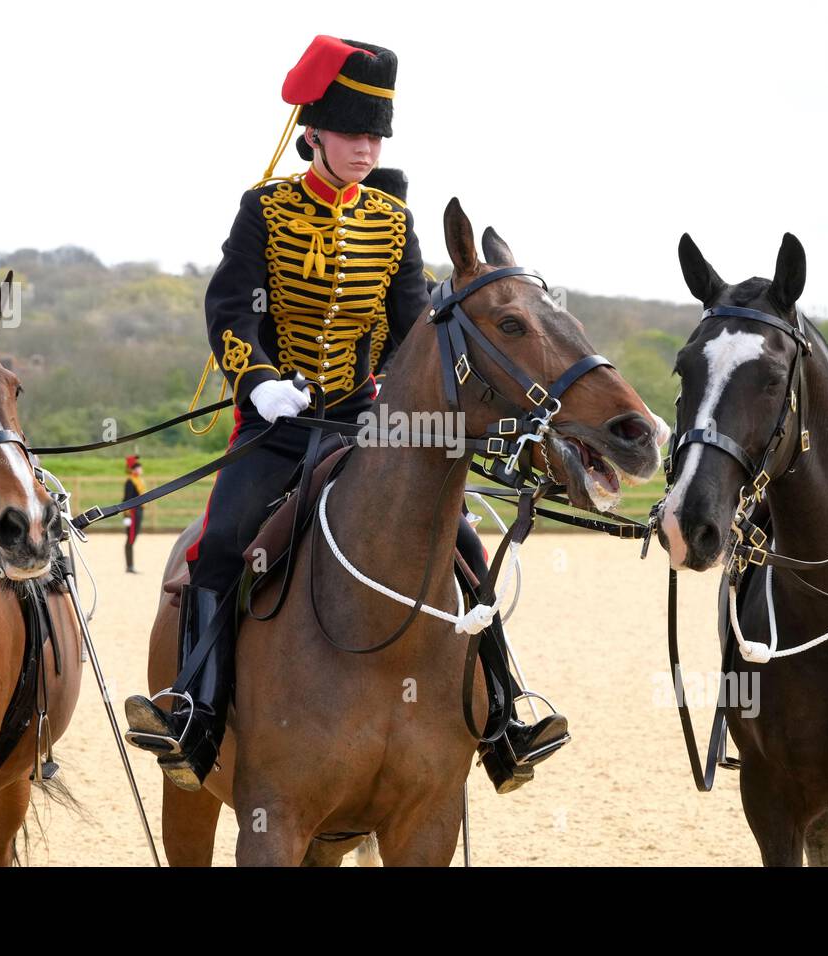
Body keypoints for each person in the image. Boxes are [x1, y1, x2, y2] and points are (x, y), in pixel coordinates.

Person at [124, 35, 568, 795]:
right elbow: (231, 309)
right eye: (353, 134)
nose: (366, 149)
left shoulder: (393, 224)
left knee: (459, 540)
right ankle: (195, 714)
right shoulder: (265, 209)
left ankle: (504, 721)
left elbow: (409, 330)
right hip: (276, 423)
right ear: (314, 135)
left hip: (365, 418)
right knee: (224, 540)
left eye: (376, 137)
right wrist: (259, 380)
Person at [122, 454, 145, 573]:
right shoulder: (130, 481)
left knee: (132, 539)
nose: (141, 469)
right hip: (133, 513)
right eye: (138, 467)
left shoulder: (138, 480)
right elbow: (127, 499)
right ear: (134, 469)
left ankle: (130, 565)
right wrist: (127, 515)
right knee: (130, 539)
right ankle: (129, 566)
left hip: (139, 511)